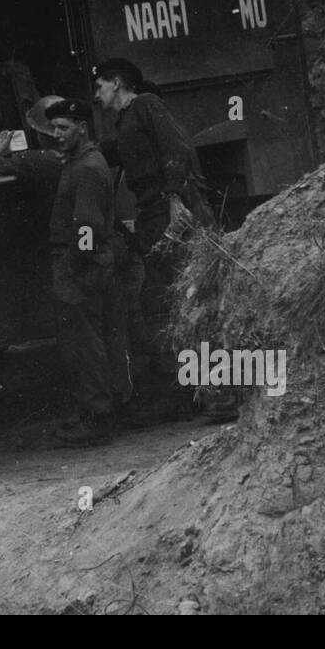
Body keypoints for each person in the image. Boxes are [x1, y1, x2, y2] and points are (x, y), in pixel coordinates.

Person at [92, 58, 223, 420]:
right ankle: (196, 392)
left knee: (192, 300)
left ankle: (221, 395)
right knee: (166, 302)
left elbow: (176, 149)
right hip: (155, 214)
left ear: (116, 83)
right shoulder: (126, 121)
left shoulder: (146, 105)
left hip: (173, 210)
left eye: (100, 85)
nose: (96, 93)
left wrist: (175, 201)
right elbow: (114, 149)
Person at [44, 97, 130, 446]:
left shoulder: (87, 168)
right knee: (93, 338)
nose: (56, 134)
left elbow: (88, 227)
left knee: (85, 343)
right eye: (53, 128)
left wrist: (72, 267)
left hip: (82, 266)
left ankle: (97, 417)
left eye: (63, 128)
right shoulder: (82, 162)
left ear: (82, 128)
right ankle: (103, 409)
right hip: (88, 264)